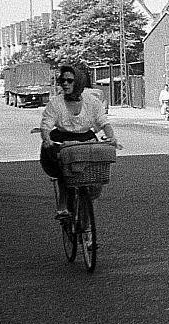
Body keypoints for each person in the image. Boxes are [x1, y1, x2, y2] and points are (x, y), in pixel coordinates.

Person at [40, 64, 119, 220]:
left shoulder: (92, 102)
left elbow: (103, 122)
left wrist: (111, 137)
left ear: (79, 83)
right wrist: (46, 138)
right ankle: (63, 206)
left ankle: (86, 209)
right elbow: (46, 124)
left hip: (85, 138)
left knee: (96, 169)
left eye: (69, 80)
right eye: (62, 80)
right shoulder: (56, 103)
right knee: (65, 171)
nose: (65, 84)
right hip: (62, 139)